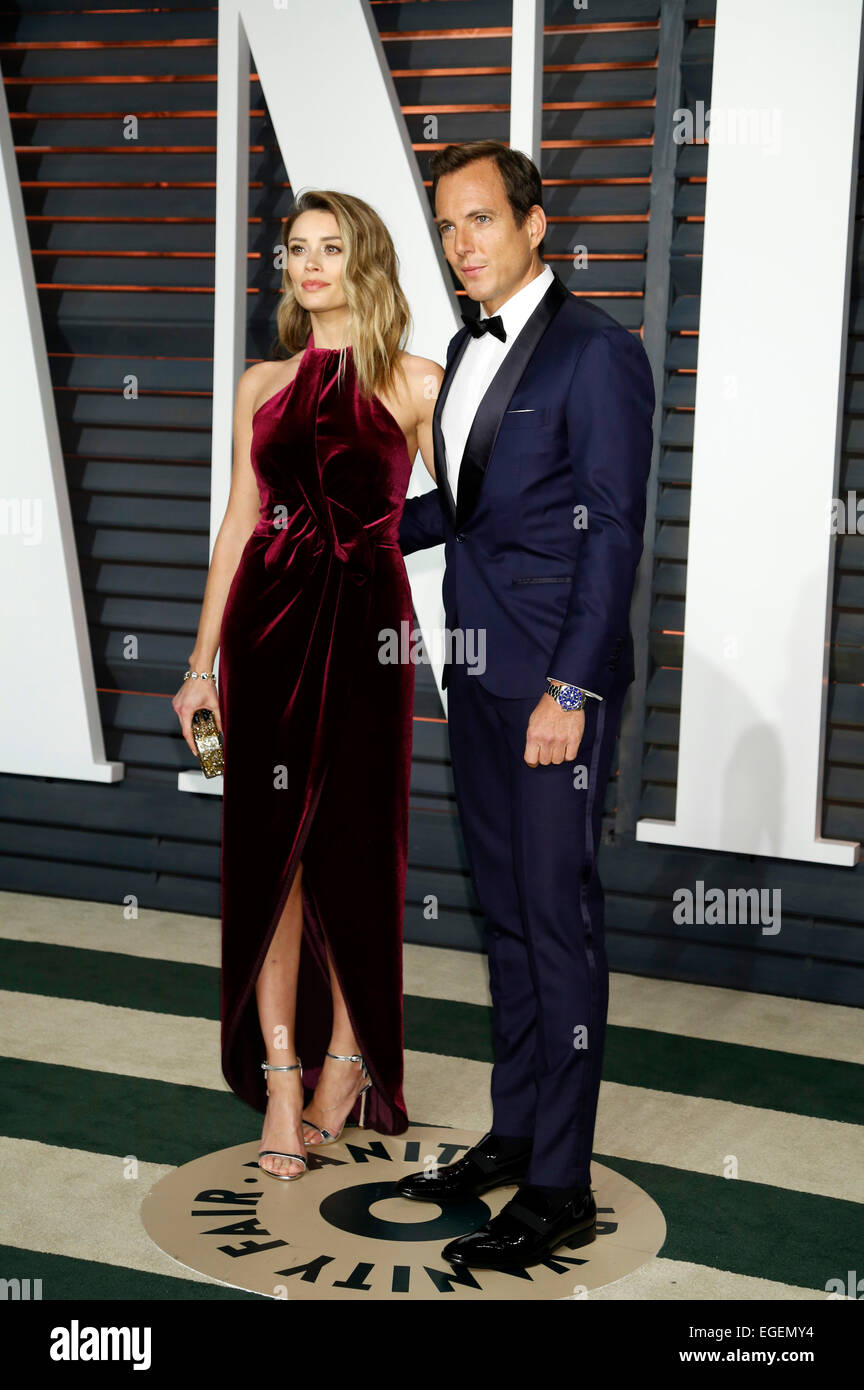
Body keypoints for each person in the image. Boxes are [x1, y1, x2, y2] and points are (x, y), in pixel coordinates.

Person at [396, 140, 655, 1266]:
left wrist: (570, 688)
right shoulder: (464, 346)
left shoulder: (598, 354)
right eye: (449, 226)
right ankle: (515, 1128)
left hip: (556, 690)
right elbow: (462, 511)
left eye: (482, 221)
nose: (463, 245)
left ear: (536, 223)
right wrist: (338, 526)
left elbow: (615, 537)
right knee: (503, 913)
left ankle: (561, 1184)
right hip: (479, 676)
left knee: (558, 925)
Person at [173, 190, 442, 1180]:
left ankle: (350, 1058)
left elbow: (478, 504)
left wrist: (375, 539)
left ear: (363, 260)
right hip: (268, 628)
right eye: (296, 248)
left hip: (370, 632)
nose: (310, 262)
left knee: (358, 849)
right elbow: (242, 517)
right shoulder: (262, 382)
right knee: (273, 857)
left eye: (332, 247)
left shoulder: (419, 383)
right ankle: (283, 1075)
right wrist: (199, 665)